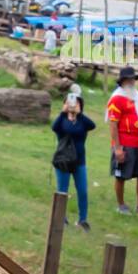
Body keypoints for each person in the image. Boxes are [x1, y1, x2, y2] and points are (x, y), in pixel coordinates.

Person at [107, 65, 138, 215]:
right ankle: (121, 205)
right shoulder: (117, 99)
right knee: (121, 176)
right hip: (124, 143)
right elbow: (113, 124)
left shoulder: (137, 97)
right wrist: (117, 148)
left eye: (133, 79)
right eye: (129, 79)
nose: (132, 82)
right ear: (123, 81)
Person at [51, 87, 95, 229]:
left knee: (82, 191)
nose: (72, 105)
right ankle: (61, 218)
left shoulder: (82, 121)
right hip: (63, 160)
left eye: (76, 102)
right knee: (62, 191)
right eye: (70, 102)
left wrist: (79, 114)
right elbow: (54, 127)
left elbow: (92, 125)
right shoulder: (62, 120)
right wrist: (62, 112)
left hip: (79, 161)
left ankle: (82, 219)